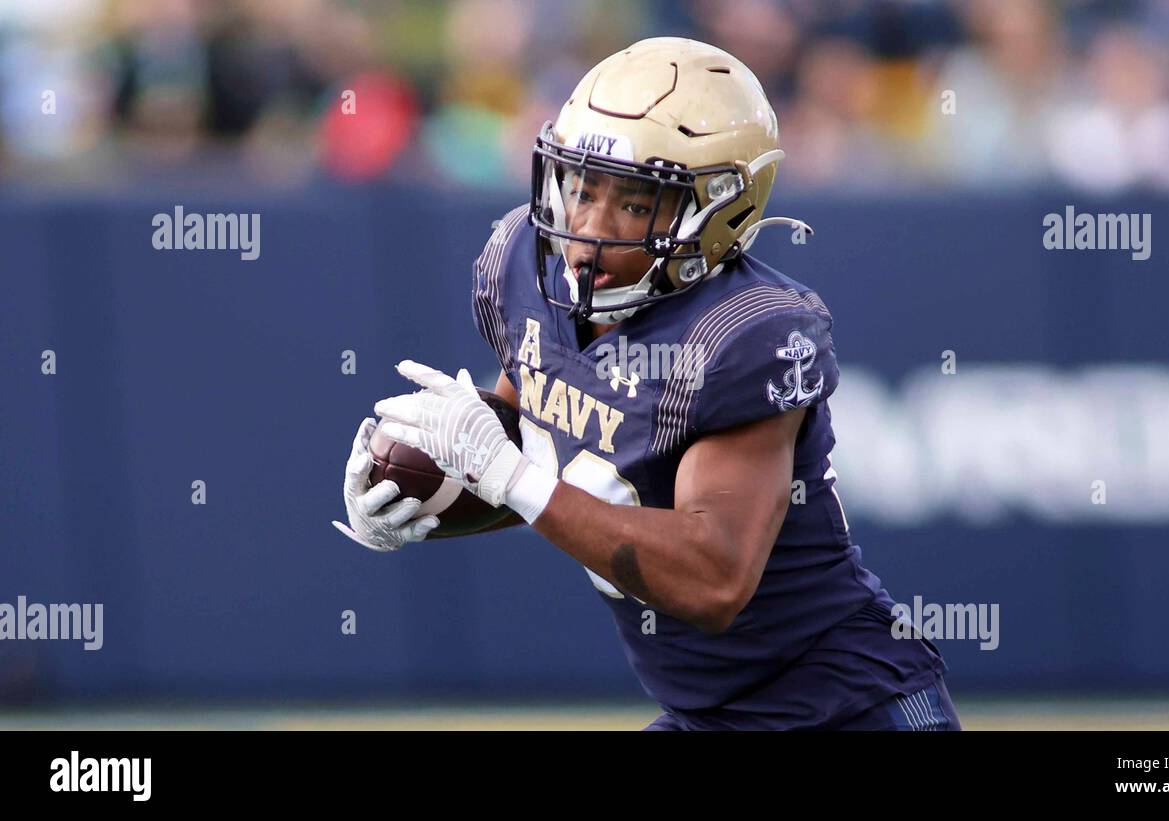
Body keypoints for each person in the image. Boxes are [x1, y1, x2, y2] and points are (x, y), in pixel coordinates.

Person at [334, 37, 958, 731]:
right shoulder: (523, 267)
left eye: (634, 204)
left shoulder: (744, 333)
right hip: (707, 714)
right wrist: (427, 491)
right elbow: (538, 452)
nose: (587, 231)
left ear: (721, 210)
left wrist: (503, 473)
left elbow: (713, 576)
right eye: (582, 187)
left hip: (841, 710)